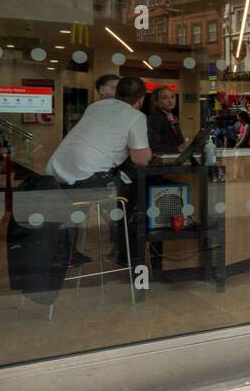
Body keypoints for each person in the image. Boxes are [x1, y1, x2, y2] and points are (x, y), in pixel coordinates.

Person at [45, 76, 153, 266]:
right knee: (131, 196)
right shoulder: (136, 116)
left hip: (56, 173)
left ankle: (65, 251)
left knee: (77, 205)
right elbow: (140, 159)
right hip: (86, 178)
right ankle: (125, 253)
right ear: (141, 99)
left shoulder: (95, 107)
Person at [146, 85, 186, 156]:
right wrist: (177, 149)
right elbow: (153, 146)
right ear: (156, 102)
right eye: (165, 98)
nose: (170, 100)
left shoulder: (172, 117)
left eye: (172, 97)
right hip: (162, 161)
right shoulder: (155, 118)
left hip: (174, 158)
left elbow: (179, 142)